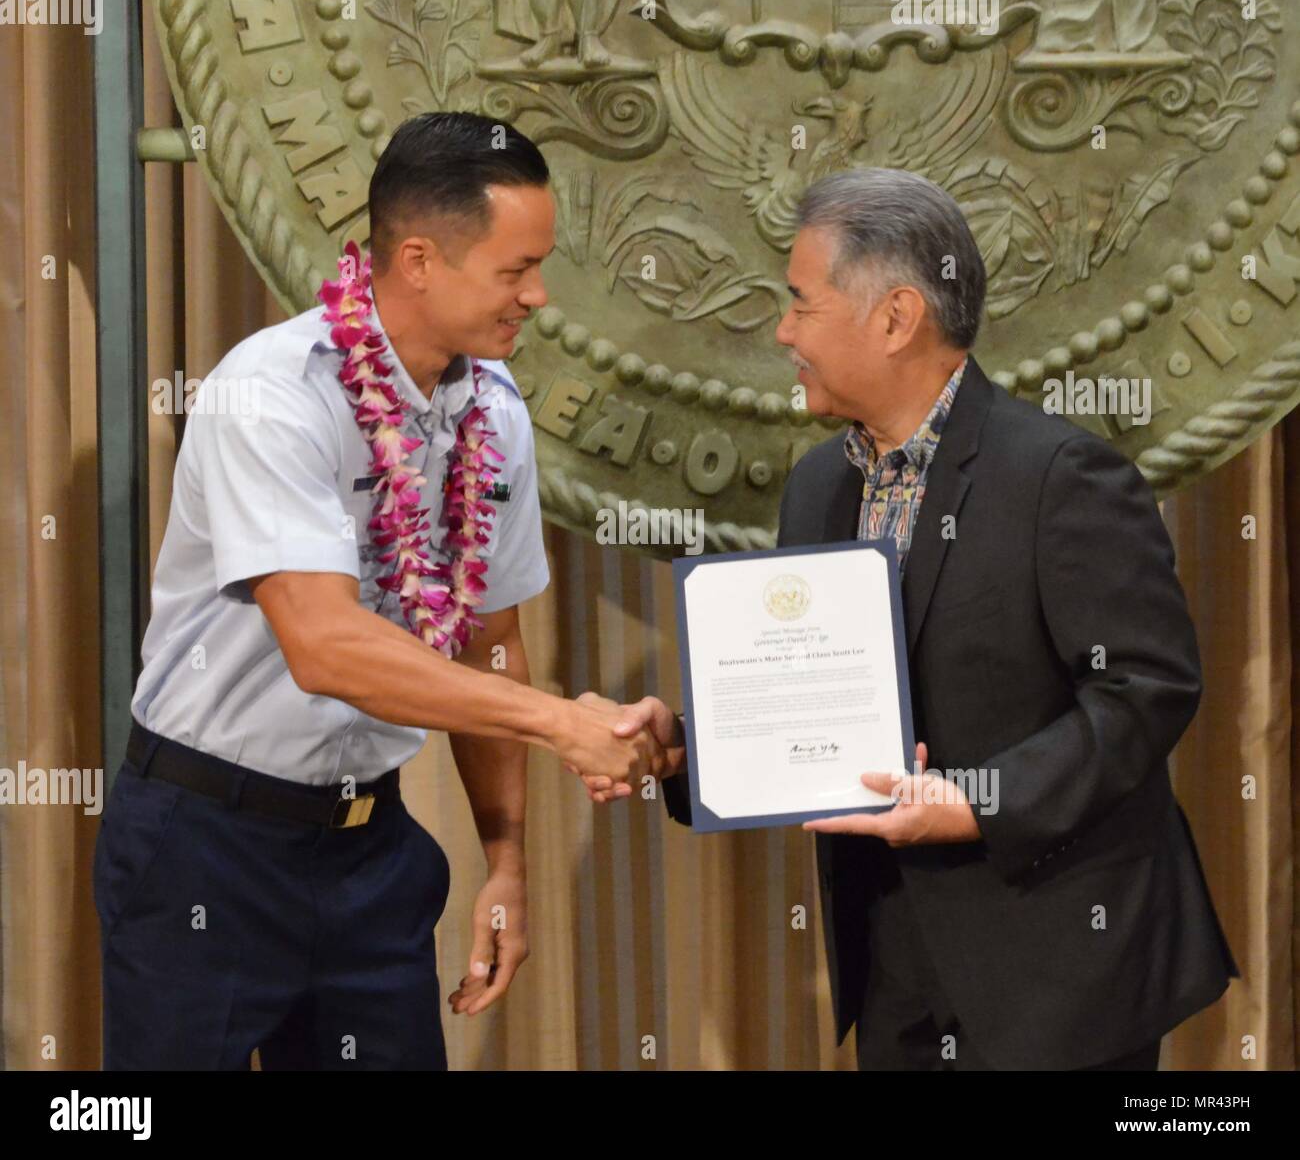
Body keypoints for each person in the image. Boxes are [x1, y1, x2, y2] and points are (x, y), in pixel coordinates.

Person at [583, 167, 1238, 1070]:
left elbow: (1146, 690)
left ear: (895, 317)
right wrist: (689, 748)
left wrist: (977, 803)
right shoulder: (820, 485)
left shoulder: (1060, 476)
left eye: (800, 305)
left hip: (1059, 973)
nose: (781, 333)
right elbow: (819, 698)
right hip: (895, 967)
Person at [94, 111, 665, 1070]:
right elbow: (326, 647)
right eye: (514, 271)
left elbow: (488, 638)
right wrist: (560, 722)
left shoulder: (494, 412)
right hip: (207, 847)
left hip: (371, 854)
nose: (538, 295)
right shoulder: (270, 395)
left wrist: (508, 861)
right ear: (418, 260)